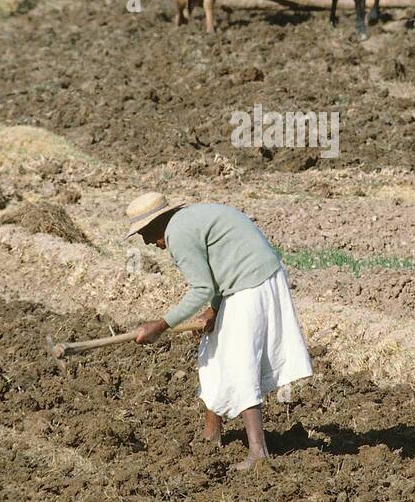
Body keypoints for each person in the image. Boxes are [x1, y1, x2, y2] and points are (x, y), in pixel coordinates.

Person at [122, 192, 313, 470]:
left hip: (252, 283)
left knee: (238, 361)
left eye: (145, 234)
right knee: (211, 353)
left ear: (157, 223)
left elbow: (201, 287)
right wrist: (213, 309)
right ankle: (210, 437)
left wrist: (161, 325)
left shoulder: (177, 234)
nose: (148, 242)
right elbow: (220, 267)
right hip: (247, 279)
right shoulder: (187, 221)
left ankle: (258, 453)